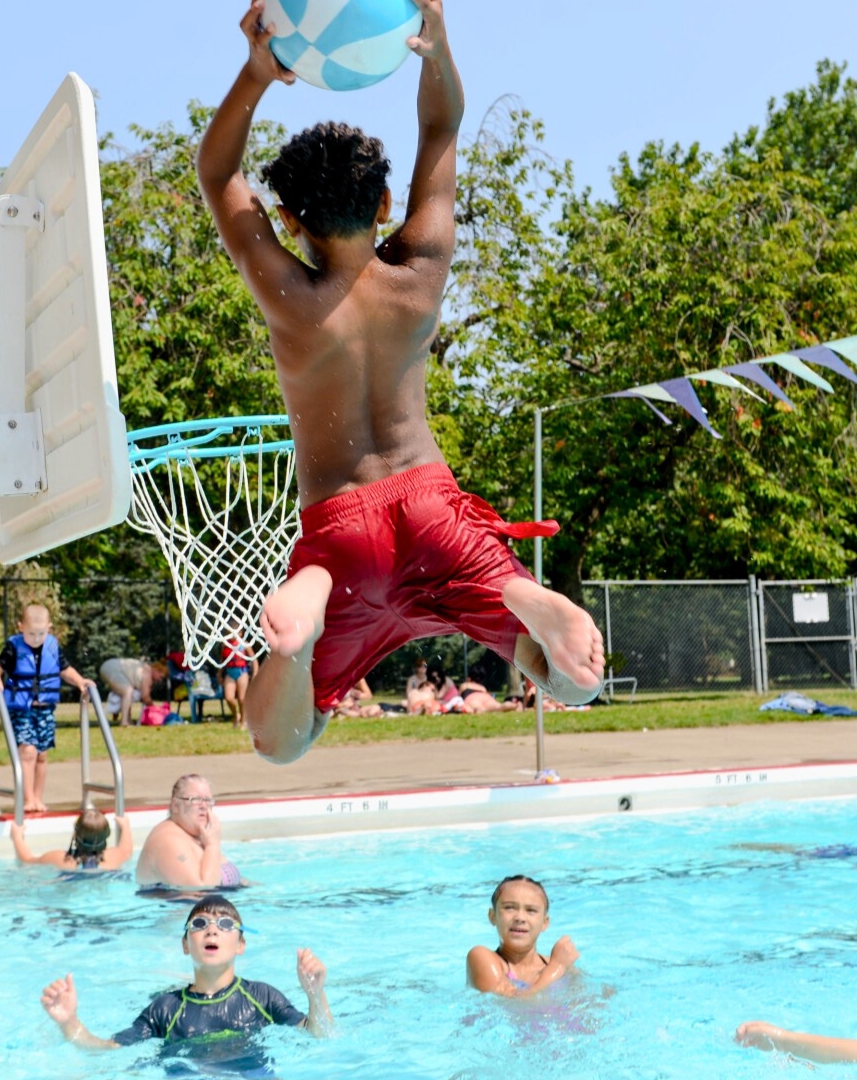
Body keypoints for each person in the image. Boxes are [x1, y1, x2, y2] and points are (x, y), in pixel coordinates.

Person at [197, 0, 604, 766]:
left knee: (278, 742)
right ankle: (524, 595)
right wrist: (435, 48)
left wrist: (256, 73)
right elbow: (442, 129)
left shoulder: (292, 297)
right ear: (385, 203)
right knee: (571, 684)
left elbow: (216, 171)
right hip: (431, 508)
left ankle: (305, 609)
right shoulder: (419, 270)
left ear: (289, 221)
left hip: (339, 535)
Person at [41, 896, 332, 1055]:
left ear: (241, 945)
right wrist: (70, 1023)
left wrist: (316, 995)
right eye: (200, 923)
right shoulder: (165, 1009)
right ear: (185, 944)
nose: (212, 929)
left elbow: (320, 1036)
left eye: (226, 924)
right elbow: (108, 1051)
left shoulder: (261, 997)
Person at [0, 605, 98, 814]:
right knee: (27, 752)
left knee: (42, 755)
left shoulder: (52, 646)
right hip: (22, 709)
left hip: (46, 709)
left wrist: (80, 682)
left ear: (49, 628)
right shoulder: (13, 647)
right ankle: (27, 798)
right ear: (21, 627)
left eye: (41, 633)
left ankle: (37, 798)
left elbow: (65, 670)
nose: (36, 638)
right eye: (31, 634)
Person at [467, 875, 579, 998]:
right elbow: (515, 1005)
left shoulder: (555, 964)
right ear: (492, 916)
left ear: (545, 922)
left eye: (531, 910)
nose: (520, 918)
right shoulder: (481, 957)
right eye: (509, 907)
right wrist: (558, 967)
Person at [137, 774, 243, 892]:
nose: (203, 806)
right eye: (195, 800)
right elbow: (202, 890)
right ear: (175, 805)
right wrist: (212, 845)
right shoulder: (168, 840)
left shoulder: (194, 836)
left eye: (208, 800)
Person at [11, 804, 134, 874]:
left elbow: (27, 860)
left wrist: (17, 836)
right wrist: (125, 826)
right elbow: (127, 850)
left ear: (75, 834)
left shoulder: (59, 858)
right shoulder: (113, 857)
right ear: (106, 835)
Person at [99, 656, 170, 726]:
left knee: (129, 693)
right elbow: (145, 696)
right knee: (128, 691)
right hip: (113, 669)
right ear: (156, 670)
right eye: (160, 677)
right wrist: (154, 707)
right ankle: (124, 722)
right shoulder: (148, 675)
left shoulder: (145, 668)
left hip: (109, 665)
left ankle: (128, 719)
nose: (159, 680)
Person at [220, 637, 255, 730]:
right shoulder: (225, 644)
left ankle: (243, 722)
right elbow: (222, 661)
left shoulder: (244, 644)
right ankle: (236, 715)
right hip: (229, 673)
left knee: (242, 699)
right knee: (228, 698)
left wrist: (255, 673)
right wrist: (219, 674)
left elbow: (254, 659)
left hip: (242, 672)